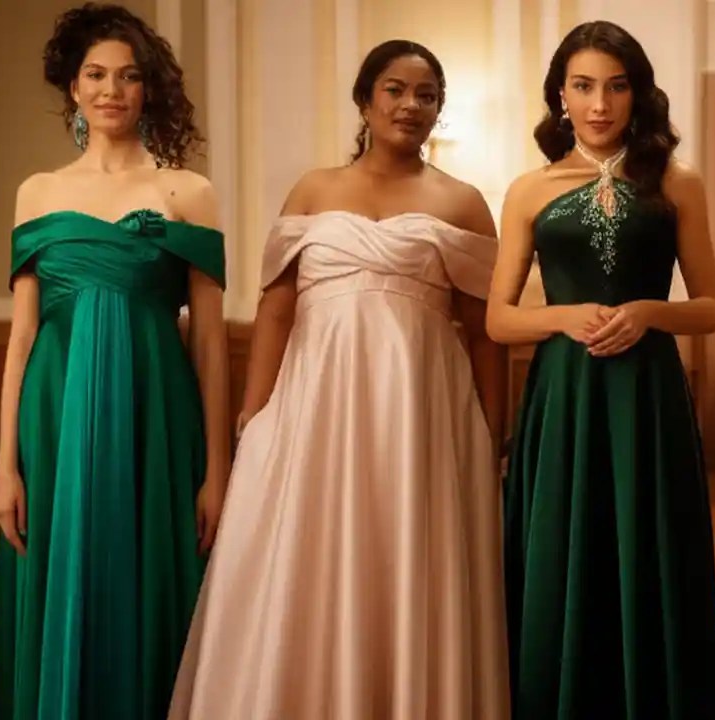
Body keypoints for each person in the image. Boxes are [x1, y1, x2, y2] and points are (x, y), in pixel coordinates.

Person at [168, 40, 509, 719]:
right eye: (395, 89)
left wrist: (493, 435)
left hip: (420, 419)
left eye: (427, 95)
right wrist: (253, 415)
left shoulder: (463, 203)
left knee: (406, 564)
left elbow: (484, 333)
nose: (411, 105)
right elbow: (275, 309)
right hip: (315, 410)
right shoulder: (314, 188)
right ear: (365, 99)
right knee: (303, 559)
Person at [0, 4, 229, 719]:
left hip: (156, 413)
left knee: (150, 581)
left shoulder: (190, 193)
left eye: (127, 76)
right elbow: (21, 337)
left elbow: (212, 344)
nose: (110, 90)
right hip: (54, 417)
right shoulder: (38, 191)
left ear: (147, 89)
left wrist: (219, 471)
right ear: (73, 86)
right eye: (95, 74)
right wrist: (5, 465)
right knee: (62, 574)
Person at [487, 20, 715, 719]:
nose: (600, 104)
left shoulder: (677, 183)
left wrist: (652, 312)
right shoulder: (529, 190)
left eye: (617, 86)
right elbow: (499, 321)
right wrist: (564, 317)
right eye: (585, 86)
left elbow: (712, 308)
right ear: (560, 95)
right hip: (562, 398)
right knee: (565, 555)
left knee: (646, 551)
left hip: (646, 397)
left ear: (639, 94)